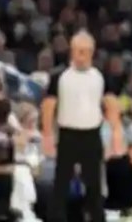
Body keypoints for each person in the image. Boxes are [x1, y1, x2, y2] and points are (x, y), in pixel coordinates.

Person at [42, 31, 119, 222]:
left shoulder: (100, 76)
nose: (81, 56)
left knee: (94, 187)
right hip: (67, 135)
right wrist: (47, 134)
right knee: (61, 185)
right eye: (78, 51)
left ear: (92, 53)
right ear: (72, 52)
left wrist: (116, 131)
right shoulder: (59, 76)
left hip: (92, 135)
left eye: (85, 51)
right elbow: (48, 106)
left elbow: (110, 103)